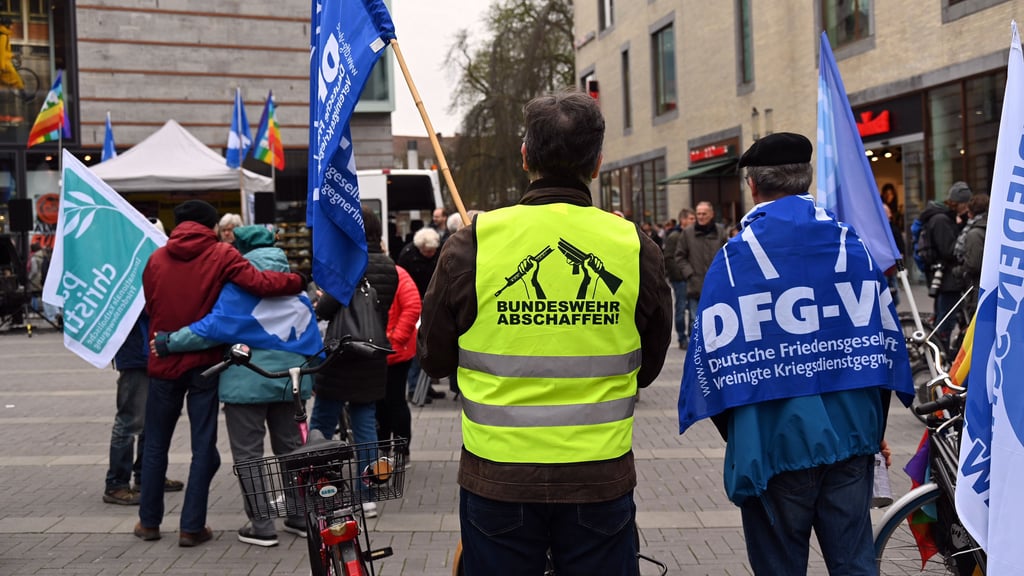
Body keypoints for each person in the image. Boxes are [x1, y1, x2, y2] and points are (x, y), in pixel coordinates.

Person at [418, 90, 672, 575]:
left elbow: (433, 359)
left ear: (525, 156)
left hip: (498, 478)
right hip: (599, 478)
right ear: (597, 164)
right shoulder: (634, 245)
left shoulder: (472, 243)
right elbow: (649, 366)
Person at [677, 133, 913, 575]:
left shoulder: (736, 258)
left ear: (753, 186)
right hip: (850, 439)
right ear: (807, 180)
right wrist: (872, 425)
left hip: (771, 445)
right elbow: (882, 344)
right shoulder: (852, 246)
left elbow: (712, 360)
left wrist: (744, 431)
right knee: (856, 565)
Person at [135, 199, 305, 547]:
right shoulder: (222, 255)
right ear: (211, 225)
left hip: (163, 363)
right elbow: (259, 284)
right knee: (203, 448)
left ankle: (149, 522)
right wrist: (296, 281)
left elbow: (150, 307)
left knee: (154, 445)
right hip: (205, 366)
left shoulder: (155, 259)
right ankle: (191, 527)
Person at [309, 208, 397, 519]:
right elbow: (381, 309)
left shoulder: (345, 264)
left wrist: (322, 298)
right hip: (371, 356)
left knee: (322, 420)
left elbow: (327, 309)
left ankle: (317, 485)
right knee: (365, 425)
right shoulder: (389, 266)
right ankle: (368, 494)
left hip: (340, 355)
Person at [103, 316, 185, 505]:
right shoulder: (129, 287)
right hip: (136, 354)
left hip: (150, 352)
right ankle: (116, 484)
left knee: (151, 420)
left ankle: (147, 476)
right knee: (130, 421)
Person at [918, 181, 970, 356]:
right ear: (960, 202)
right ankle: (939, 355)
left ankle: (940, 353)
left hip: (945, 279)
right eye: (966, 204)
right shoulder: (941, 220)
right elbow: (949, 249)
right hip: (947, 281)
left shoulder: (942, 217)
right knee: (945, 321)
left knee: (946, 317)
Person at [377, 264, 420, 460]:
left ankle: (400, 449)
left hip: (393, 351)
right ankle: (385, 448)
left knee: (394, 401)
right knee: (381, 403)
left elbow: (412, 306)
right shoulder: (399, 273)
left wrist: (396, 339)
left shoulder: (399, 274)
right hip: (383, 349)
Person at [672, 201, 727, 349]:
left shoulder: (720, 232)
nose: (701, 217)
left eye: (704, 214)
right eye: (698, 214)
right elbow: (679, 256)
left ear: (711, 214)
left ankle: (715, 348)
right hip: (695, 286)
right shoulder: (687, 233)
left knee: (717, 320)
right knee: (695, 319)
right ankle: (697, 349)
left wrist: (722, 274)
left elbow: (727, 254)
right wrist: (689, 273)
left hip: (717, 286)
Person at [398, 226, 444, 400]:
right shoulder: (408, 255)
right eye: (427, 252)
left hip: (432, 305)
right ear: (419, 248)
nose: (430, 254)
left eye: (432, 251)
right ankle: (413, 388)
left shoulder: (439, 253)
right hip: (414, 304)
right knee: (416, 348)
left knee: (429, 348)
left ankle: (426, 386)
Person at [952, 192, 989, 322]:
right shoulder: (990, 227)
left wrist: (957, 271)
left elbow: (973, 264)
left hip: (976, 288)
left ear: (972, 213)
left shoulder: (974, 233)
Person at [662, 208, 695, 348]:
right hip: (680, 279)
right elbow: (669, 257)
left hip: (693, 277)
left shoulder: (693, 235)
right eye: (692, 218)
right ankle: (682, 337)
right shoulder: (675, 236)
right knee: (681, 307)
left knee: (693, 308)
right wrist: (679, 275)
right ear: (683, 220)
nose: (694, 221)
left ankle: (692, 336)